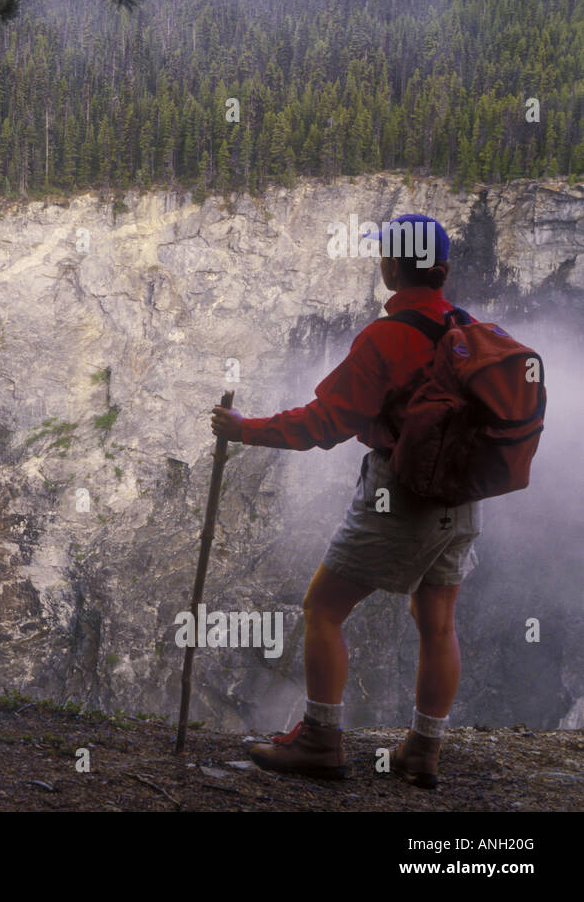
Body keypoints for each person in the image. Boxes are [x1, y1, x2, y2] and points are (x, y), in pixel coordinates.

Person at [209, 214, 480, 789]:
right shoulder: (469, 331)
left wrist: (245, 428)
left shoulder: (386, 337)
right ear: (444, 270)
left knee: (323, 608)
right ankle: (423, 751)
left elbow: (324, 422)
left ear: (388, 268)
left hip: (400, 494)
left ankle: (320, 740)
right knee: (438, 622)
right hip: (463, 496)